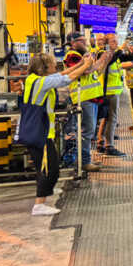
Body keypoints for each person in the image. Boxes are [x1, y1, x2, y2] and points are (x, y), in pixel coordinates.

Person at [24, 52, 94, 215]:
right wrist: (86, 65)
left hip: (36, 131)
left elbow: (59, 75)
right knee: (49, 169)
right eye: (52, 63)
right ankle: (39, 204)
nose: (56, 66)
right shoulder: (42, 83)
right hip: (40, 133)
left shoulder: (33, 79)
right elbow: (64, 79)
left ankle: (44, 193)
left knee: (47, 166)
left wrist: (80, 64)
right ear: (45, 67)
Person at [64, 32, 113, 172]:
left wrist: (105, 61)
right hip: (83, 97)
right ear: (73, 42)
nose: (85, 42)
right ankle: (84, 162)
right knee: (87, 131)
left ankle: (86, 160)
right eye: (81, 40)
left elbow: (95, 72)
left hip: (91, 97)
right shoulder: (72, 55)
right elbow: (85, 71)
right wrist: (100, 59)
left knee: (89, 131)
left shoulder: (83, 56)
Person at [96, 33, 125, 156]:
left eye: (116, 41)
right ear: (107, 44)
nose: (116, 43)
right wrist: (120, 49)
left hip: (111, 91)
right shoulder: (105, 54)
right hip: (108, 91)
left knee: (107, 117)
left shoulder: (111, 54)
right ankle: (109, 146)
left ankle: (100, 142)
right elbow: (113, 57)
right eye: (113, 41)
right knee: (112, 118)